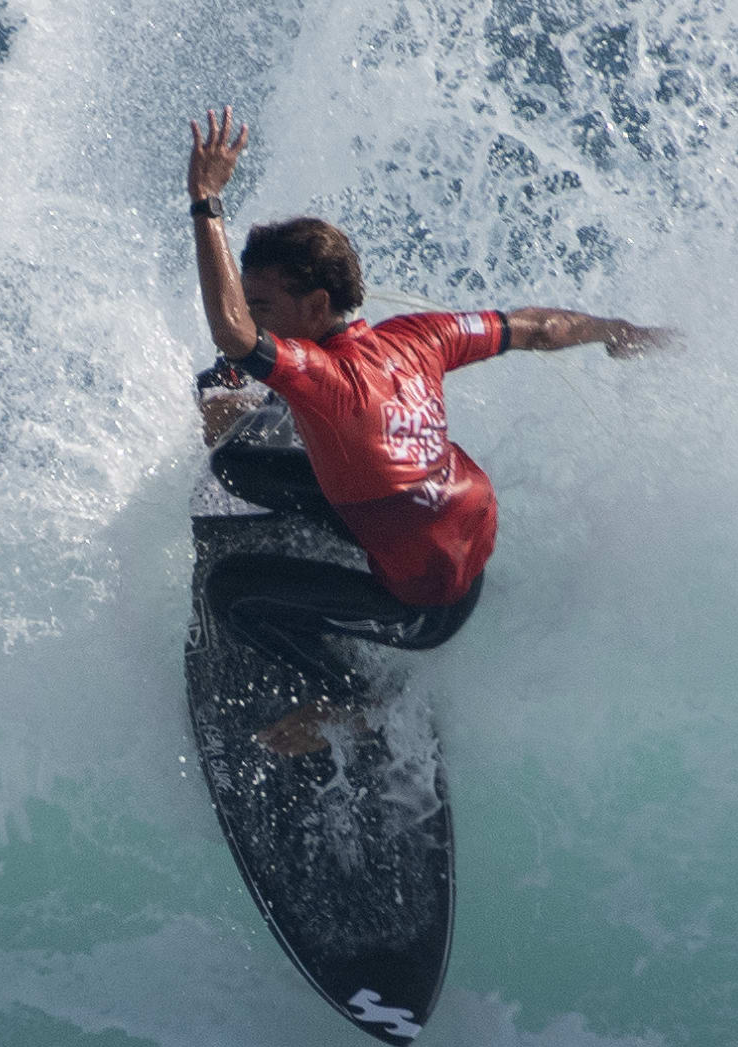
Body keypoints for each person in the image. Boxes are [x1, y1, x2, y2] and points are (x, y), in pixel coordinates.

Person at [184, 106, 670, 756]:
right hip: (455, 532)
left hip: (425, 608)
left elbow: (232, 335)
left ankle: (356, 702)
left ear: (317, 304)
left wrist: (207, 201)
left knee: (231, 590)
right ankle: (351, 557)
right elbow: (536, 328)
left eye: (266, 305)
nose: (256, 317)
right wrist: (619, 331)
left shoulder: (324, 380)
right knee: (242, 463)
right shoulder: (422, 335)